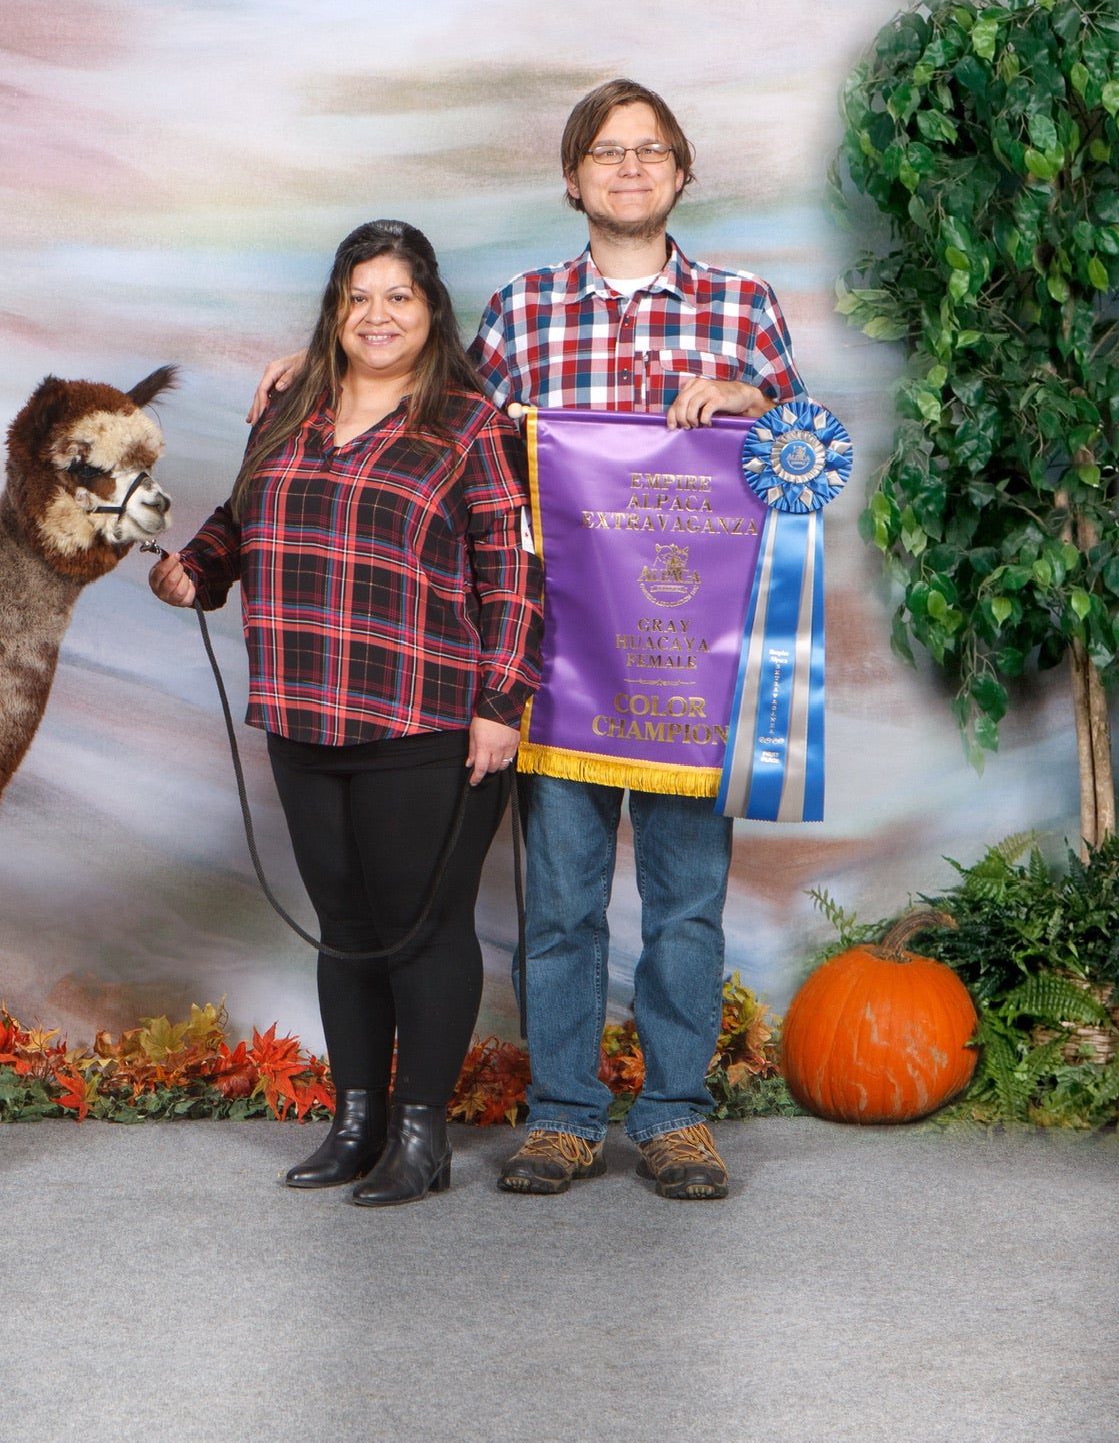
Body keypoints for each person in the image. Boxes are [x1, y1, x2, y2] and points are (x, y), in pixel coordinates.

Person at [249, 80, 804, 1201]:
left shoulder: (746, 307)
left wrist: (761, 404)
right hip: (555, 666)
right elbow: (425, 422)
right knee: (558, 899)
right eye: (608, 151)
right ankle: (562, 1113)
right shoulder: (521, 311)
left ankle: (678, 1114)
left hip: (689, 671)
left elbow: (810, 458)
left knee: (688, 899)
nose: (631, 167)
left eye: (652, 150)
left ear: (683, 172)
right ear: (572, 177)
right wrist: (304, 380)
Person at [152, 219, 542, 1207]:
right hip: (301, 709)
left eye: (398, 297)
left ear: (430, 310)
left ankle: (421, 1136)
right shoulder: (287, 408)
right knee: (347, 929)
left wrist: (503, 701)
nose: (377, 315)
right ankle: (355, 1121)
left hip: (426, 715)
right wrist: (194, 570)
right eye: (358, 297)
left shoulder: (469, 421)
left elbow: (516, 569)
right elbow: (238, 518)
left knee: (422, 929)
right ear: (335, 310)